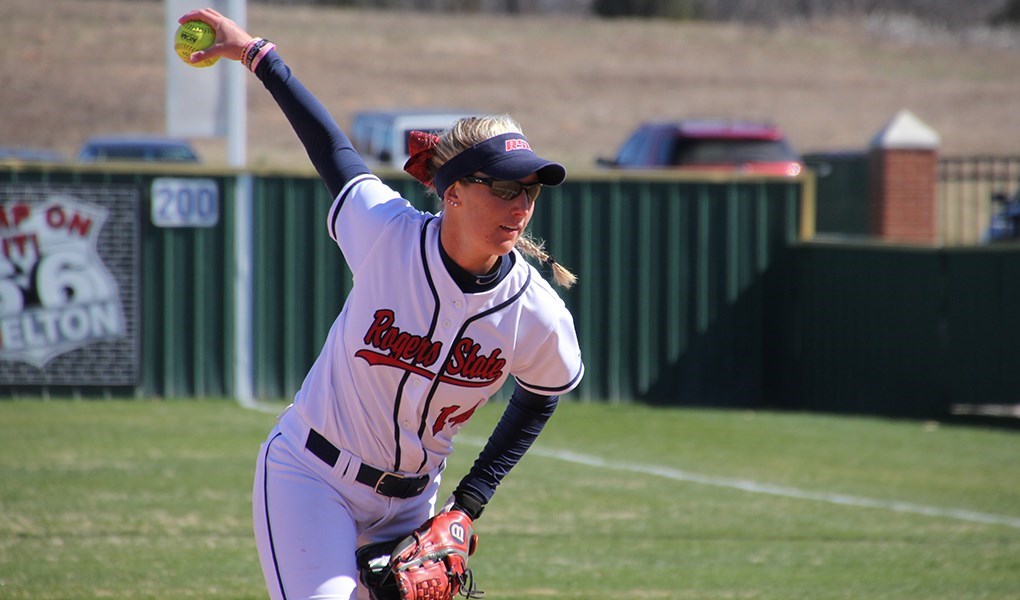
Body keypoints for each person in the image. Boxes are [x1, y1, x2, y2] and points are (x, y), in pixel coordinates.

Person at [179, 9, 584, 600]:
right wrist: (255, 54)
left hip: (412, 510)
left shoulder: (535, 310)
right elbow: (331, 147)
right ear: (456, 194)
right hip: (311, 477)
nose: (520, 203)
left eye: (529, 189)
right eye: (503, 187)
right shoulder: (387, 234)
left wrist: (468, 504)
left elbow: (544, 392)